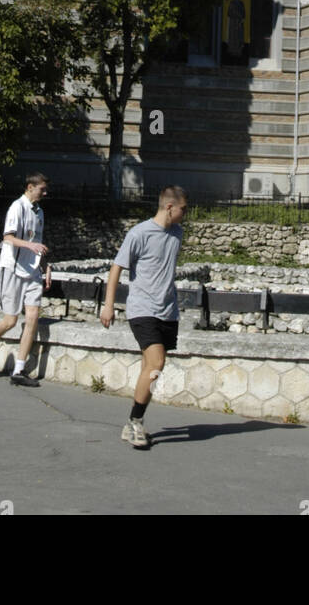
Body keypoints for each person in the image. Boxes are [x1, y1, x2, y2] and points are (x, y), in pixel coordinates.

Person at [100, 185, 188, 449]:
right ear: (169, 207)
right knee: (157, 362)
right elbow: (116, 267)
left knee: (149, 369)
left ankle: (133, 422)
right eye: (184, 209)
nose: (186, 214)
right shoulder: (139, 233)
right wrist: (108, 304)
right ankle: (135, 422)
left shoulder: (177, 233)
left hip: (167, 310)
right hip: (141, 308)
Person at [0, 174, 51, 386]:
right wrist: (29, 246)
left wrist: (45, 266)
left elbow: (38, 241)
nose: (45, 193)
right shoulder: (17, 207)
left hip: (32, 272)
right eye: (41, 189)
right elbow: (8, 237)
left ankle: (19, 370)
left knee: (33, 316)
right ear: (30, 187)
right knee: (10, 321)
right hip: (14, 269)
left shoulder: (39, 212)